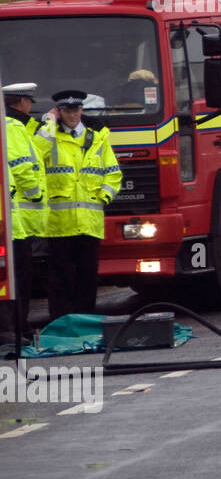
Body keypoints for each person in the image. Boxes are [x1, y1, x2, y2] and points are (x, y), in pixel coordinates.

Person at [33, 89, 121, 320]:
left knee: (87, 277)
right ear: (59, 112)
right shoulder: (50, 138)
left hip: (89, 224)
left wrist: (103, 198)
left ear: (81, 110)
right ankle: (61, 323)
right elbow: (34, 153)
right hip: (59, 225)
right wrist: (49, 122)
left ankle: (87, 322)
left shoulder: (98, 139)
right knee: (59, 279)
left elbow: (113, 174)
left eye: (75, 110)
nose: (71, 115)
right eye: (65, 111)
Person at [1, 83, 46, 344]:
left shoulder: (12, 125)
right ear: (21, 103)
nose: (32, 105)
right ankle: (18, 330)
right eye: (29, 101)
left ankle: (18, 329)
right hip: (17, 222)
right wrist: (35, 193)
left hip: (13, 220)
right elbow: (22, 166)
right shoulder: (14, 127)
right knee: (18, 280)